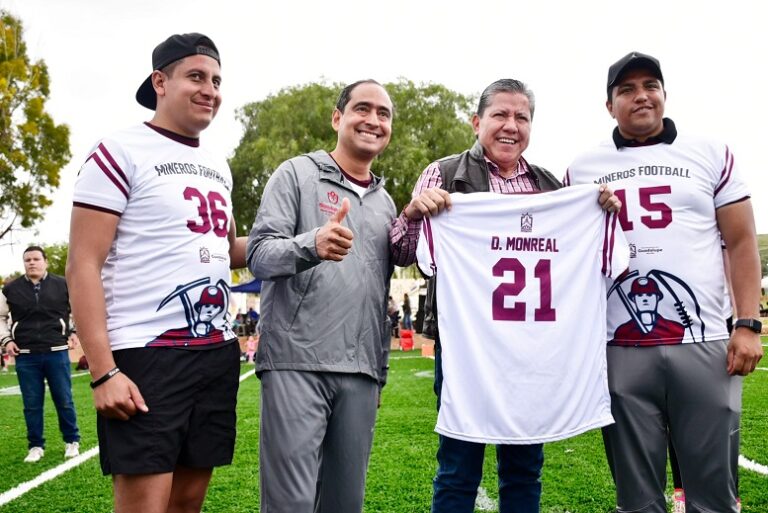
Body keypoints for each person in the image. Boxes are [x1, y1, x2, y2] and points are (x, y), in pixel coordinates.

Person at [389, 78, 620, 513]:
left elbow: (586, 261)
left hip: (533, 349)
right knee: (458, 467)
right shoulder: (445, 173)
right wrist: (414, 213)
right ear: (478, 122)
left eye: (522, 117)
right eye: (500, 115)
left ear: (531, 126)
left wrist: (598, 210)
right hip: (467, 348)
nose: (510, 125)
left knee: (524, 468)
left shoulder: (554, 187)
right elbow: (403, 252)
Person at [564, 51, 762, 513]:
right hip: (619, 342)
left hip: (704, 338)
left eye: (650, 85)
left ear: (665, 94)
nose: (641, 96)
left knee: (714, 490)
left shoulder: (711, 152)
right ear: (609, 105)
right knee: (636, 495)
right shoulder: (583, 167)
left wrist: (747, 323)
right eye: (627, 89)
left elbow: (742, 241)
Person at [66, 33, 246, 513]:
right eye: (196, 76)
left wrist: (306, 243)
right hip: (148, 354)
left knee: (187, 503)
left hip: (214, 350)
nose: (210, 89)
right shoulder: (119, 150)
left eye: (216, 80)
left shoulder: (217, 164)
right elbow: (83, 262)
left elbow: (225, 250)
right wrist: (104, 372)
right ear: (160, 82)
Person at [247, 79, 396, 513]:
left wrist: (379, 369)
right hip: (296, 363)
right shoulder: (295, 173)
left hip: (361, 371)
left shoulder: (386, 202)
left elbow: (379, 293)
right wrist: (311, 245)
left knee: (345, 504)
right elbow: (258, 254)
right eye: (362, 109)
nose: (372, 120)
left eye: (383, 114)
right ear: (337, 117)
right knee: (290, 504)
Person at [0, 246, 81, 463]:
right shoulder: (10, 289)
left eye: (36, 259)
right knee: (32, 403)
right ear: (23, 263)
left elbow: (77, 310)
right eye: (27, 260)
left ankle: (72, 441)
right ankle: (35, 446)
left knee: (64, 399)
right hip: (26, 355)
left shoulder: (63, 284)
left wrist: (74, 332)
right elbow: (0, 317)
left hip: (56, 352)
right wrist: (6, 340)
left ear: (45, 261)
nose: (31, 263)